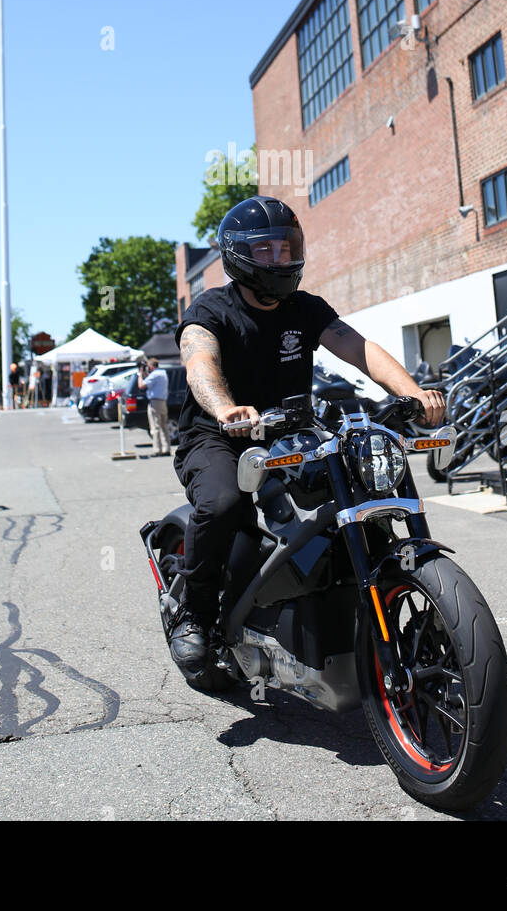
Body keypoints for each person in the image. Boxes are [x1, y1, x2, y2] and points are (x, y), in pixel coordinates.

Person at [169, 196, 446, 676]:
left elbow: (359, 348)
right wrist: (226, 408)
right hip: (217, 436)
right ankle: (194, 616)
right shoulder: (211, 309)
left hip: (288, 433)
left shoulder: (305, 309)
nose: (279, 260)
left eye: (286, 248)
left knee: (351, 492)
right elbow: (200, 364)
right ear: (238, 256)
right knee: (225, 505)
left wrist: (414, 394)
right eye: (265, 251)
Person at [138, 357, 170, 455]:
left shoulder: (155, 375)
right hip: (163, 401)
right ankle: (166, 448)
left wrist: (140, 374)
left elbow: (141, 385)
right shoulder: (163, 373)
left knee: (155, 426)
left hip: (155, 402)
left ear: (151, 366)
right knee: (164, 426)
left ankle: (157, 450)